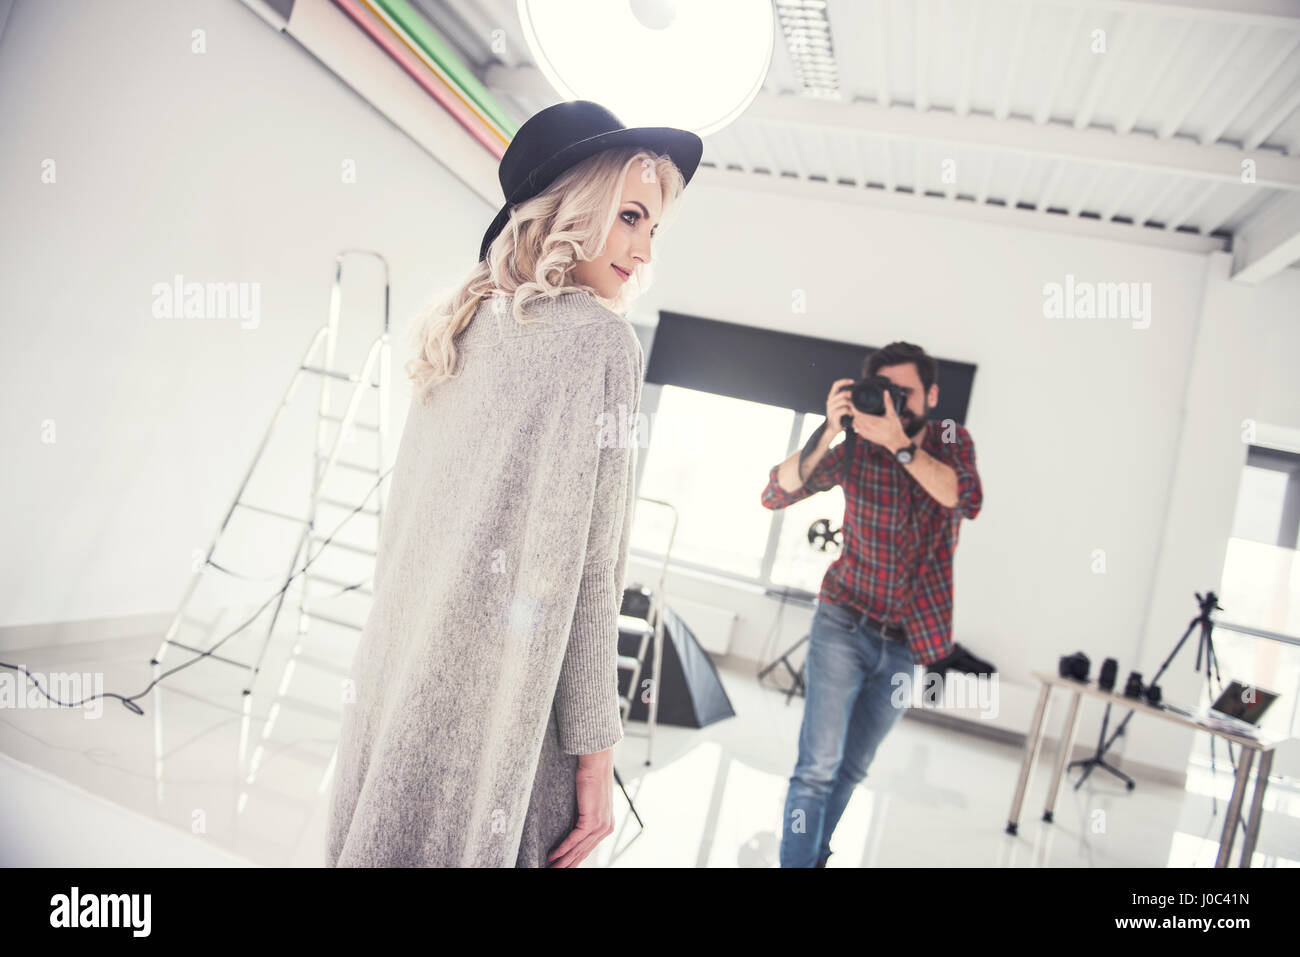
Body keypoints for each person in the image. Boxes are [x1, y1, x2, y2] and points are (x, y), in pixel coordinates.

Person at [326, 101, 702, 868]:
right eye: (630, 215)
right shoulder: (603, 343)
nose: (642, 248)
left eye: (654, 229)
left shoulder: (454, 321)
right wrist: (596, 746)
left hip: (397, 674)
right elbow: (595, 567)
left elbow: (404, 524)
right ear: (572, 207)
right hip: (500, 710)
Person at [760, 342, 983, 867]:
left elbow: (965, 498)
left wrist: (902, 446)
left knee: (853, 769)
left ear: (930, 395)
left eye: (905, 393)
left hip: (911, 641)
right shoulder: (857, 446)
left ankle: (814, 856)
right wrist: (828, 432)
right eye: (885, 392)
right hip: (843, 621)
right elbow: (776, 493)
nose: (895, 403)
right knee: (817, 767)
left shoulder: (952, 441)